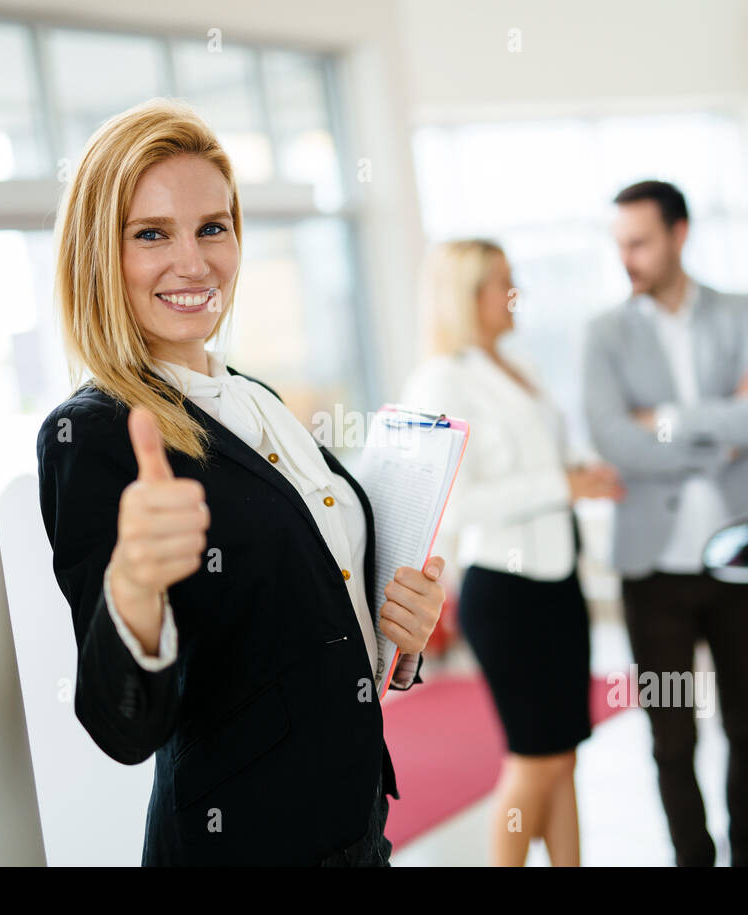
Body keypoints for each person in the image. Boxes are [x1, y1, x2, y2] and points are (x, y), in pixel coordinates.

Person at [36, 100, 447, 866]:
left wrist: (402, 637)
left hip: (353, 824)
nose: (193, 262)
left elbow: (307, 608)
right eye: (150, 233)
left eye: (212, 228)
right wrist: (134, 588)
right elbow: (122, 723)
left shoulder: (254, 396)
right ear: (98, 253)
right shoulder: (93, 434)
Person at [583, 180, 748, 866]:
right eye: (619, 245)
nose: (627, 259)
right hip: (653, 571)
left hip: (742, 556)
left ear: (679, 234)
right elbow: (614, 440)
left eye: (640, 243)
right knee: (672, 737)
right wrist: (721, 436)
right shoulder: (604, 334)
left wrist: (669, 421)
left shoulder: (740, 313)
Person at [401, 239, 623, 866]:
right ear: (467, 297)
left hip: (558, 581)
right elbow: (453, 502)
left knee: (564, 756)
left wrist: (582, 472)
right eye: (502, 282)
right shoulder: (442, 379)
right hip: (507, 593)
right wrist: (561, 485)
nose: (514, 293)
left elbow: (543, 459)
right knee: (535, 761)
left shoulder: (518, 365)